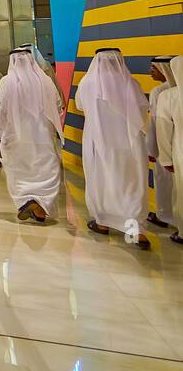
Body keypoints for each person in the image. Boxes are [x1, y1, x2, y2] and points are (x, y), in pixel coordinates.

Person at [75, 47, 150, 248]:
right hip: (129, 144)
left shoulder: (87, 83)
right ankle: (136, 230)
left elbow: (80, 106)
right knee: (131, 183)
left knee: (101, 179)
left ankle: (102, 222)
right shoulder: (131, 84)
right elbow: (142, 111)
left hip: (98, 142)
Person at [0, 45, 65, 223]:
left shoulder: (7, 81)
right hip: (44, 136)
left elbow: (0, 108)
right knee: (45, 169)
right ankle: (41, 207)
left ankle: (27, 199)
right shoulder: (45, 80)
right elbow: (58, 105)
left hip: (16, 135)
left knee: (20, 170)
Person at [149, 55, 183, 244]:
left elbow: (161, 128)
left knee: (179, 191)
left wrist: (164, 157)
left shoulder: (166, 95)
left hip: (177, 150)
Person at [145, 56, 176, 232]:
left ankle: (163, 214)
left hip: (164, 144)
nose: (151, 72)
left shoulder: (160, 92)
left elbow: (156, 123)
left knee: (163, 182)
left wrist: (151, 148)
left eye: (154, 68)